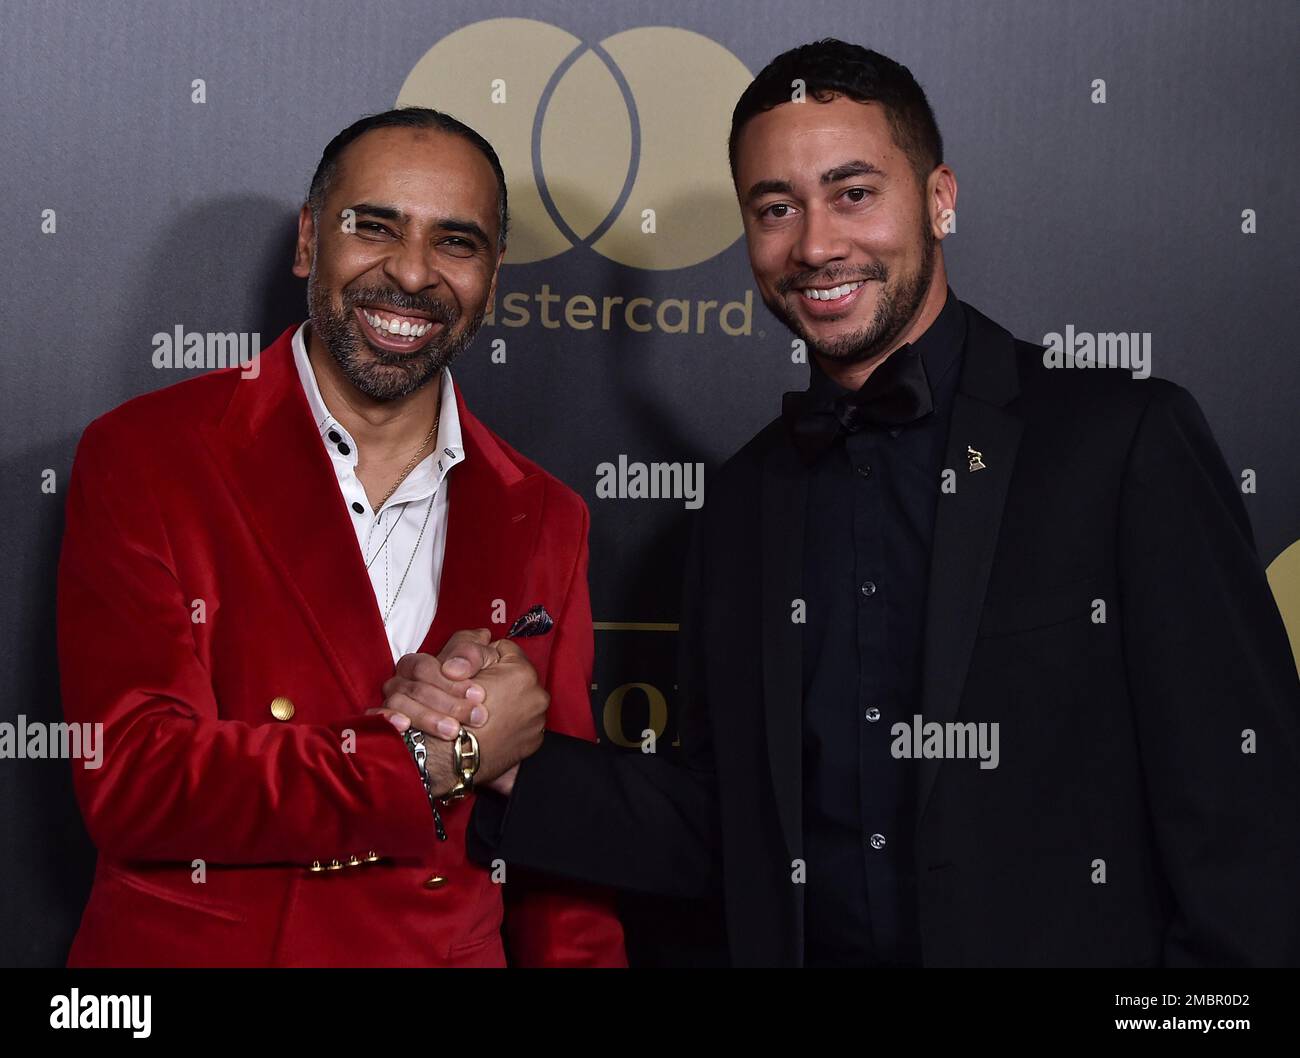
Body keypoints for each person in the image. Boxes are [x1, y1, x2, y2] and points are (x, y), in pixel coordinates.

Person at [394, 40, 1300, 967]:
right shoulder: (743, 503)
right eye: (776, 208)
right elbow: (721, 822)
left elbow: (1249, 815)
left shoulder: (1121, 439)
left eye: (853, 192)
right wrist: (507, 761)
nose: (817, 244)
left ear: (940, 198)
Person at [57, 107, 625, 967]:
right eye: (375, 227)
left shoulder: (548, 514)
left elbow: (565, 867)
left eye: (456, 242)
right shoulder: (147, 454)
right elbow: (135, 777)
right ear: (308, 242)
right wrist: (434, 762)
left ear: (494, 276)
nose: (410, 271)